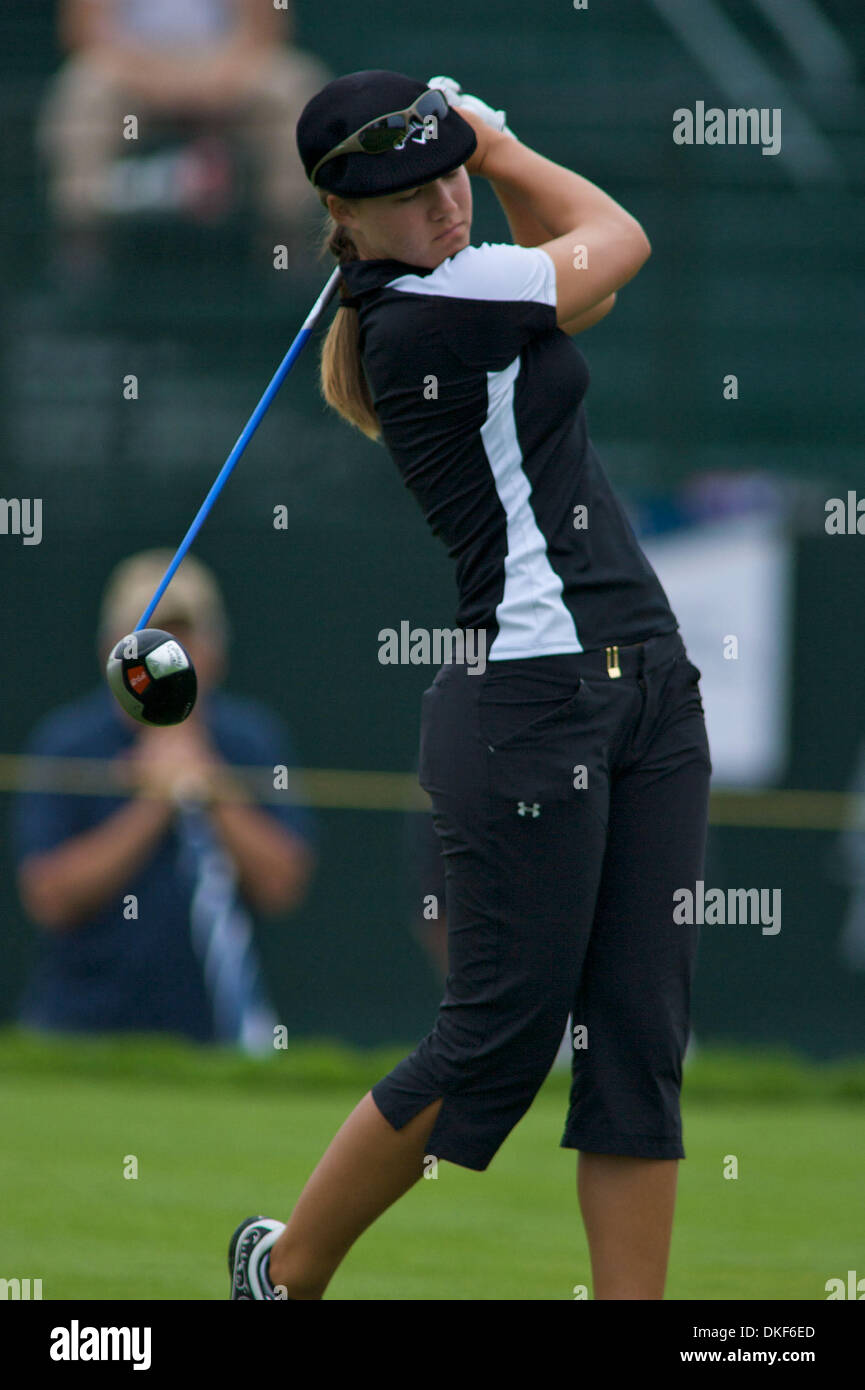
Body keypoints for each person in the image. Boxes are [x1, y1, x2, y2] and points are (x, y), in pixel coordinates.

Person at [228, 70, 711, 1301]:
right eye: (411, 187)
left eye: (447, 172)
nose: (444, 199)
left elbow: (577, 267)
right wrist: (496, 145)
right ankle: (284, 1272)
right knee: (497, 1032)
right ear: (345, 212)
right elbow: (617, 241)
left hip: (647, 678)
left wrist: (475, 158)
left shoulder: (471, 290)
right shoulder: (421, 311)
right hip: (533, 704)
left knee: (639, 1040)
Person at [13, 550, 316, 1053]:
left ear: (214, 650)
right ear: (112, 649)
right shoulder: (67, 742)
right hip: (78, 1033)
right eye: (148, 637)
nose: (166, 655)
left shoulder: (251, 740)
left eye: (184, 636)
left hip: (220, 1038)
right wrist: (156, 802)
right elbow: (49, 896)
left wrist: (208, 786)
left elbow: (283, 883)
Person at [36, 0, 331, 271]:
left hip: (232, 77)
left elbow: (266, 31)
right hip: (128, 77)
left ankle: (287, 247)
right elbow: (85, 34)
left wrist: (212, 83)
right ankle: (83, 248)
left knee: (291, 86)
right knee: (84, 91)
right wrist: (165, 84)